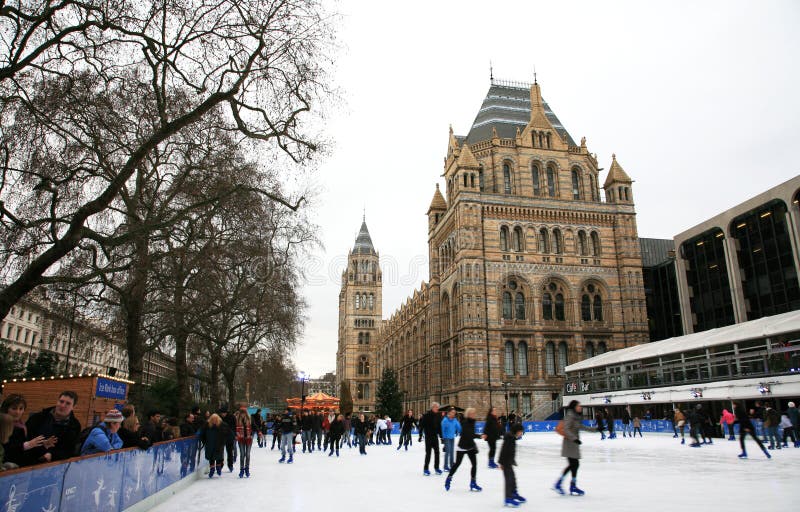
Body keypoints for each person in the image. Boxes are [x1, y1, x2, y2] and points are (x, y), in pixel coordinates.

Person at [553, 400, 596, 496]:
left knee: (574, 465)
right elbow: (566, 429)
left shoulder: (576, 417)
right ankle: (563, 484)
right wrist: (574, 439)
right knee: (574, 464)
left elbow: (583, 427)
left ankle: (568, 485)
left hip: (574, 444)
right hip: (569, 443)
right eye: (578, 406)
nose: (580, 407)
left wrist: (597, 429)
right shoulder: (570, 416)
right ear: (574, 407)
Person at [25, 391, 81, 463]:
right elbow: (25, 437)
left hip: (54, 465)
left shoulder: (75, 426)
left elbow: (69, 450)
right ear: (57, 401)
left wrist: (51, 455)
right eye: (61, 401)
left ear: (73, 407)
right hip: (28, 460)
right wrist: (41, 446)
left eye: (68, 403)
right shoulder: (38, 418)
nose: (63, 405)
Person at [444, 407, 484, 493]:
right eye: (472, 413)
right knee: (457, 464)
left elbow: (471, 435)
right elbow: (469, 435)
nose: (474, 415)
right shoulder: (465, 422)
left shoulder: (472, 422)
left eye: (474, 413)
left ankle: (473, 482)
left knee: (474, 464)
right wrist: (479, 436)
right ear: (469, 414)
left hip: (470, 446)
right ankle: (449, 478)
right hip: (462, 446)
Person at [1, 394, 44, 467]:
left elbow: (27, 452)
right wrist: (27, 445)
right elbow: (6, 451)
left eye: (21, 409)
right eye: (14, 408)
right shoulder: (3, 426)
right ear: (6, 409)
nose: (17, 412)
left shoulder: (23, 425)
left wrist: (43, 446)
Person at [498, 423, 525, 508]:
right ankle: (508, 498)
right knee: (509, 480)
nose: (522, 434)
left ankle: (513, 493)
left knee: (512, 478)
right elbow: (504, 451)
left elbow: (510, 452)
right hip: (505, 462)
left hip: (508, 462)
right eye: (521, 432)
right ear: (517, 431)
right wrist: (501, 463)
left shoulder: (512, 438)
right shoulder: (510, 438)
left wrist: (512, 461)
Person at [419, 402, 443, 476]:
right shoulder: (426, 416)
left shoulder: (438, 416)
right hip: (428, 437)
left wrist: (441, 436)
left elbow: (439, 427)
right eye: (436, 407)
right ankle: (426, 469)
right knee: (428, 453)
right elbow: (421, 426)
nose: (437, 409)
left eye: (438, 408)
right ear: (432, 407)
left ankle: (437, 468)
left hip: (435, 437)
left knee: (437, 453)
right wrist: (420, 435)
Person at [234, 405, 253, 478]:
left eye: (244, 412)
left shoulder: (250, 418)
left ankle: (247, 469)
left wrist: (256, 432)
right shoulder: (237, 419)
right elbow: (234, 428)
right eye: (241, 412)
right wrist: (236, 435)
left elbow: (253, 426)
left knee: (247, 454)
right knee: (242, 454)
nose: (243, 414)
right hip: (241, 439)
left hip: (248, 439)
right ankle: (242, 469)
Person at [219, 405, 237, 471]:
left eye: (223, 413)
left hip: (230, 437)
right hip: (221, 437)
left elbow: (234, 427)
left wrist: (234, 435)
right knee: (220, 451)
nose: (222, 414)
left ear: (226, 412)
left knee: (229, 452)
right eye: (221, 413)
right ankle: (220, 464)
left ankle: (230, 465)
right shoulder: (219, 417)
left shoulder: (232, 417)